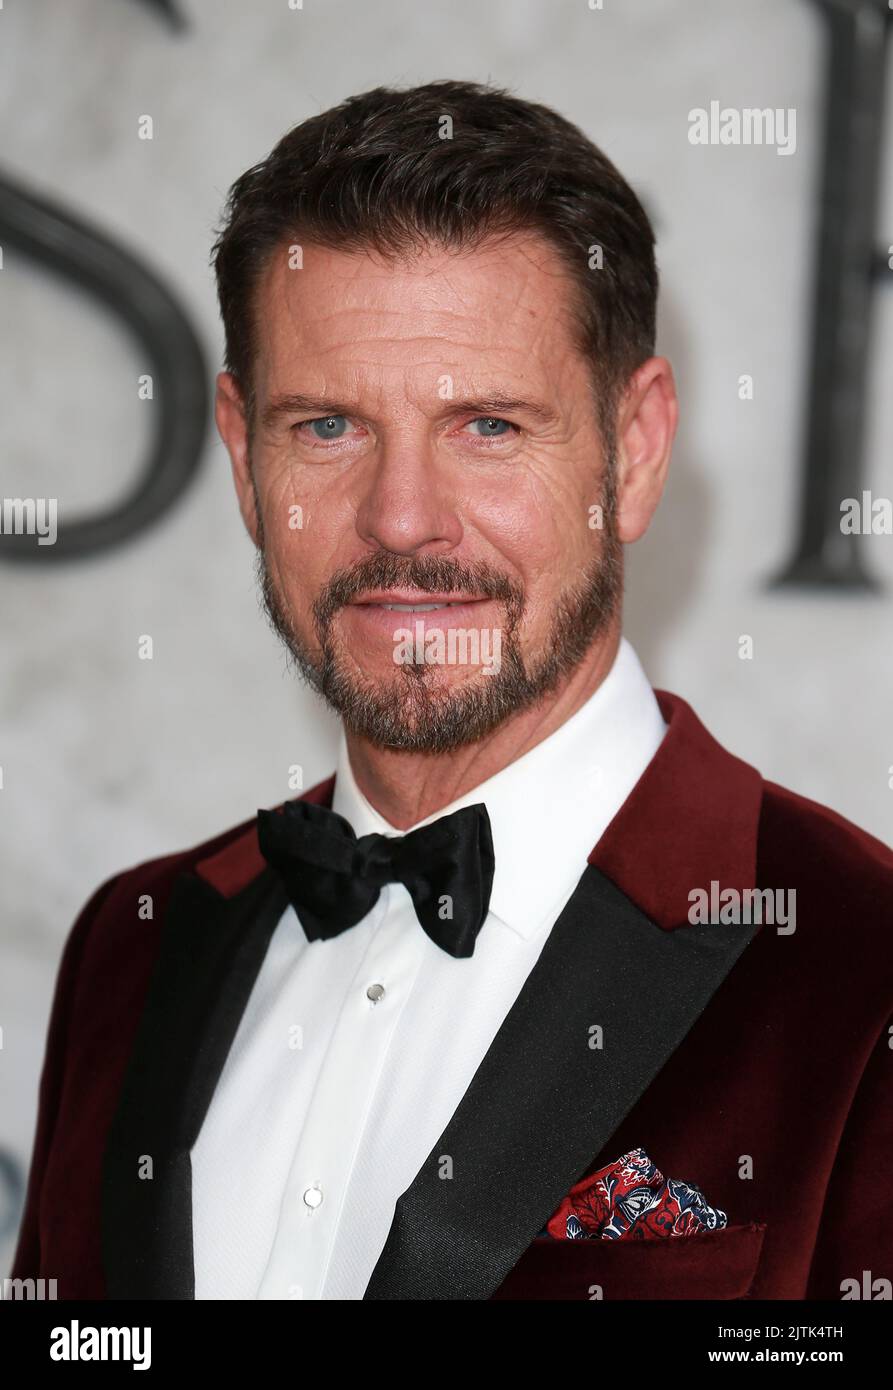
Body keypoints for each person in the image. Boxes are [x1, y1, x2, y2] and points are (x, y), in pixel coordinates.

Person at [11, 79, 892, 1302]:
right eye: (325, 426)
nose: (401, 519)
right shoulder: (133, 941)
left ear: (630, 451)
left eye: (486, 424)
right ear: (240, 455)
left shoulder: (857, 962)